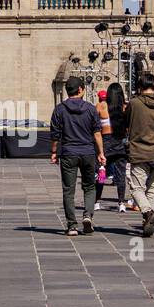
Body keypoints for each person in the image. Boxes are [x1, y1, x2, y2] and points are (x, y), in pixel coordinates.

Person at [49, 77, 105, 236]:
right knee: (89, 187)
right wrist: (101, 153)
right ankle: (87, 215)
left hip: (68, 153)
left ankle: (72, 226)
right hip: (88, 152)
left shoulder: (59, 109)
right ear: (80, 90)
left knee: (68, 190)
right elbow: (97, 133)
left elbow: (55, 135)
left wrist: (54, 152)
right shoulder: (90, 109)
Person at [125, 73, 154, 237]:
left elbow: (127, 121)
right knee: (152, 189)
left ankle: (147, 213)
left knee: (136, 187)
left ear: (139, 87)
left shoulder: (134, 103)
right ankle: (147, 224)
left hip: (139, 150)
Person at [99, 82, 129, 212]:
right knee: (120, 175)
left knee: (101, 173)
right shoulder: (125, 108)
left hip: (106, 143)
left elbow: (95, 127)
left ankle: (96, 201)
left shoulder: (101, 106)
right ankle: (121, 203)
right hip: (120, 143)